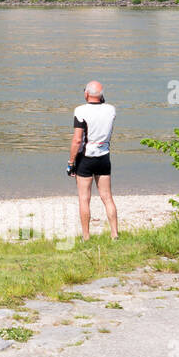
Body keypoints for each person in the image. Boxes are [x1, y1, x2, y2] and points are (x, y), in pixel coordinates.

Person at [68, 80, 119, 240]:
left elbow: (77, 140)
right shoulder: (111, 110)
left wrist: (71, 162)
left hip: (86, 158)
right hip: (104, 157)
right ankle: (114, 234)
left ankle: (86, 236)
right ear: (101, 95)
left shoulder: (80, 111)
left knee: (84, 198)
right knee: (107, 196)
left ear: (86, 94)